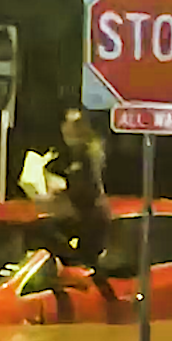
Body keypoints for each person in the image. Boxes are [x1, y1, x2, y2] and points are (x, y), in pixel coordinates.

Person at [41, 108, 125, 324]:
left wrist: (61, 192)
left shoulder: (89, 151)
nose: (67, 129)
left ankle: (109, 310)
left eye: (74, 125)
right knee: (50, 235)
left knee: (84, 262)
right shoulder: (75, 152)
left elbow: (88, 188)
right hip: (82, 215)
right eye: (67, 125)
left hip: (91, 218)